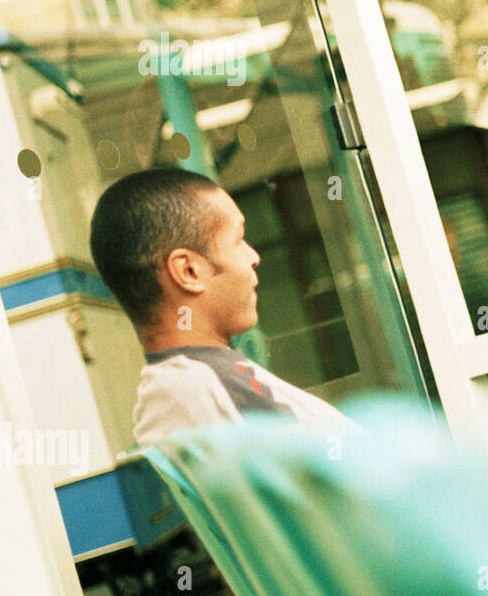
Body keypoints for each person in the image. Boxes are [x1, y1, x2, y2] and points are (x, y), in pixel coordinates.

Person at [89, 167, 355, 446]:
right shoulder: (198, 390)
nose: (254, 257)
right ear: (189, 271)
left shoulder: (205, 380)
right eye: (238, 240)